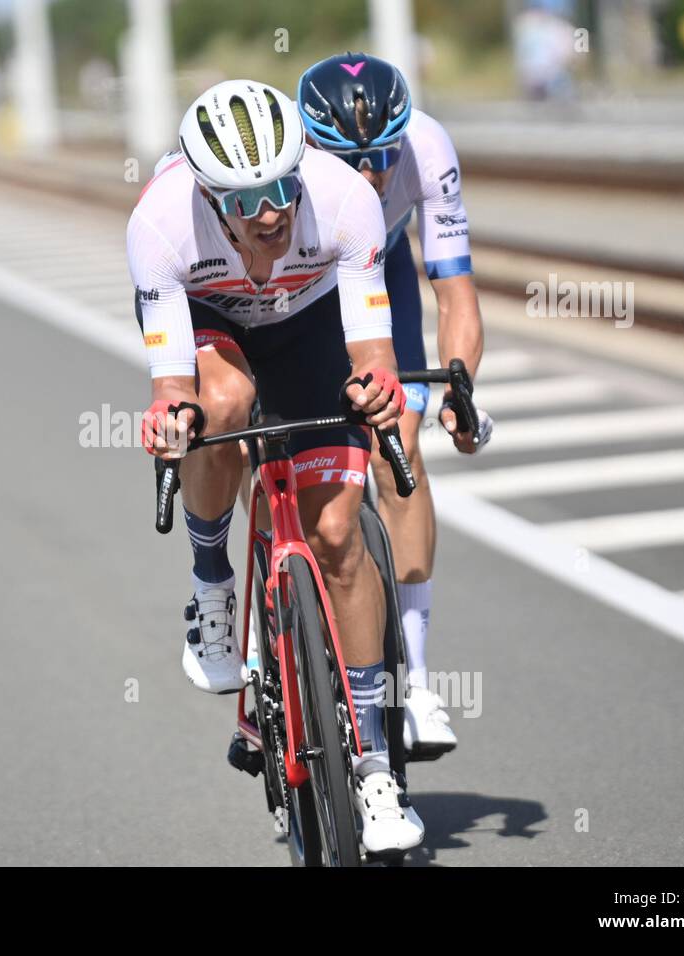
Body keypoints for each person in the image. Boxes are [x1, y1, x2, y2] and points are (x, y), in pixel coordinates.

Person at [128, 79, 423, 853]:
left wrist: (378, 395)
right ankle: (211, 586)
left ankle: (372, 764)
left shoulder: (345, 201)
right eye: (247, 197)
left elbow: (371, 354)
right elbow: (171, 386)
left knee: (337, 536)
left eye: (284, 185)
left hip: (312, 320)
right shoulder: (160, 224)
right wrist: (172, 418)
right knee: (217, 407)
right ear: (205, 194)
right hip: (211, 320)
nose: (271, 211)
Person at [297, 52, 493, 759]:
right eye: (351, 160)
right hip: (300, 289)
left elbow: (457, 295)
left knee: (398, 448)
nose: (371, 174)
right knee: (277, 451)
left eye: (383, 155)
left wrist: (460, 387)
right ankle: (269, 633)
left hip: (381, 277)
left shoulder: (428, 148)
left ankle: (416, 684)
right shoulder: (287, 162)